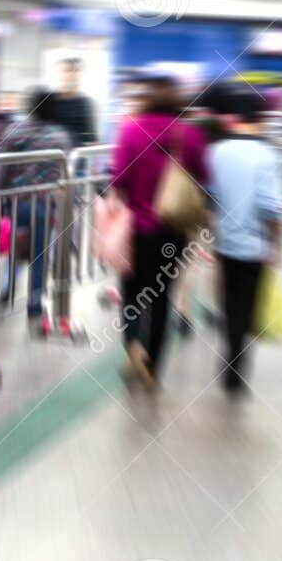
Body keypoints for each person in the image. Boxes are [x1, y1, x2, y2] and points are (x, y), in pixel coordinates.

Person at [110, 74, 209, 388]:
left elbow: (119, 181)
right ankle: (153, 366)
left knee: (131, 294)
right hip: (173, 231)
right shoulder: (190, 135)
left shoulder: (130, 131)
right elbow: (204, 176)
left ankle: (133, 347)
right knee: (162, 295)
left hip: (136, 231)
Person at [206, 90, 282, 395]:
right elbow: (271, 207)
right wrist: (276, 244)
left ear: (234, 118)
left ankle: (229, 357)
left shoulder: (217, 151)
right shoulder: (267, 155)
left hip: (225, 242)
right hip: (255, 245)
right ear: (260, 120)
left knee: (228, 302)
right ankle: (236, 369)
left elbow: (210, 195)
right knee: (247, 306)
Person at [0, 87, 74, 324]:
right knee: (40, 253)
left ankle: (7, 286)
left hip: (17, 201)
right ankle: (35, 302)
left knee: (15, 245)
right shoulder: (60, 136)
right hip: (45, 202)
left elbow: (1, 168)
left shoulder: (15, 131)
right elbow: (65, 170)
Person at [49, 57, 99, 146]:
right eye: (67, 70)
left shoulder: (87, 103)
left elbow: (92, 139)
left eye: (76, 71)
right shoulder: (49, 101)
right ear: (58, 74)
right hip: (53, 155)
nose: (71, 75)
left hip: (78, 155)